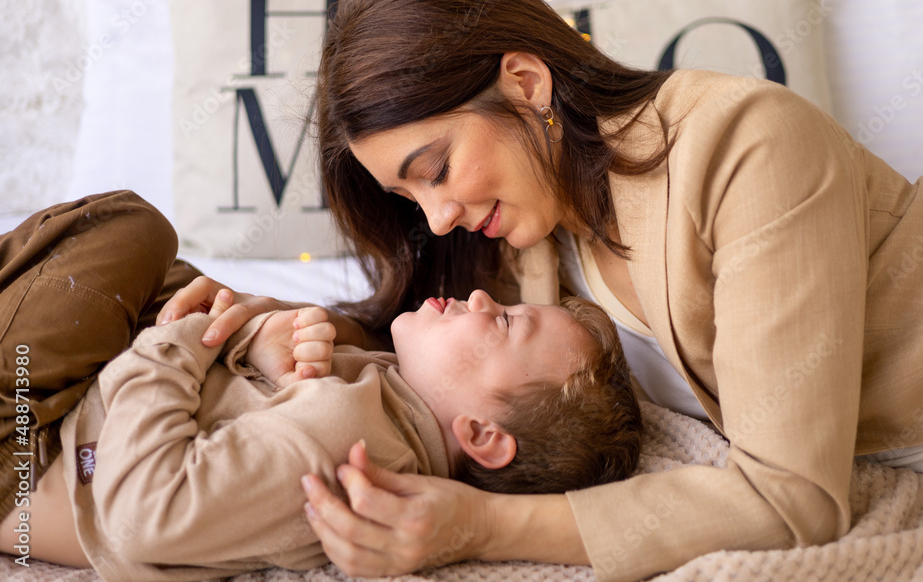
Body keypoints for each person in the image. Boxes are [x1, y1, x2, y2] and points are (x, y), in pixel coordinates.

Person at [157, 0, 923, 582]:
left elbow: (795, 498)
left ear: (525, 82)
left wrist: (480, 525)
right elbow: (425, 342)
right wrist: (264, 320)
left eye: (437, 167)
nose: (438, 216)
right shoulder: (534, 220)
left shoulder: (746, 147)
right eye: (410, 198)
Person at [0, 193, 641, 579]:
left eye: (503, 321)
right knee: (179, 276)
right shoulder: (396, 398)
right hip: (80, 412)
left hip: (30, 455)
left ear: (480, 434)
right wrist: (257, 339)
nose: (479, 297)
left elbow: (145, 517)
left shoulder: (348, 442)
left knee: (128, 229)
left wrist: (188, 338)